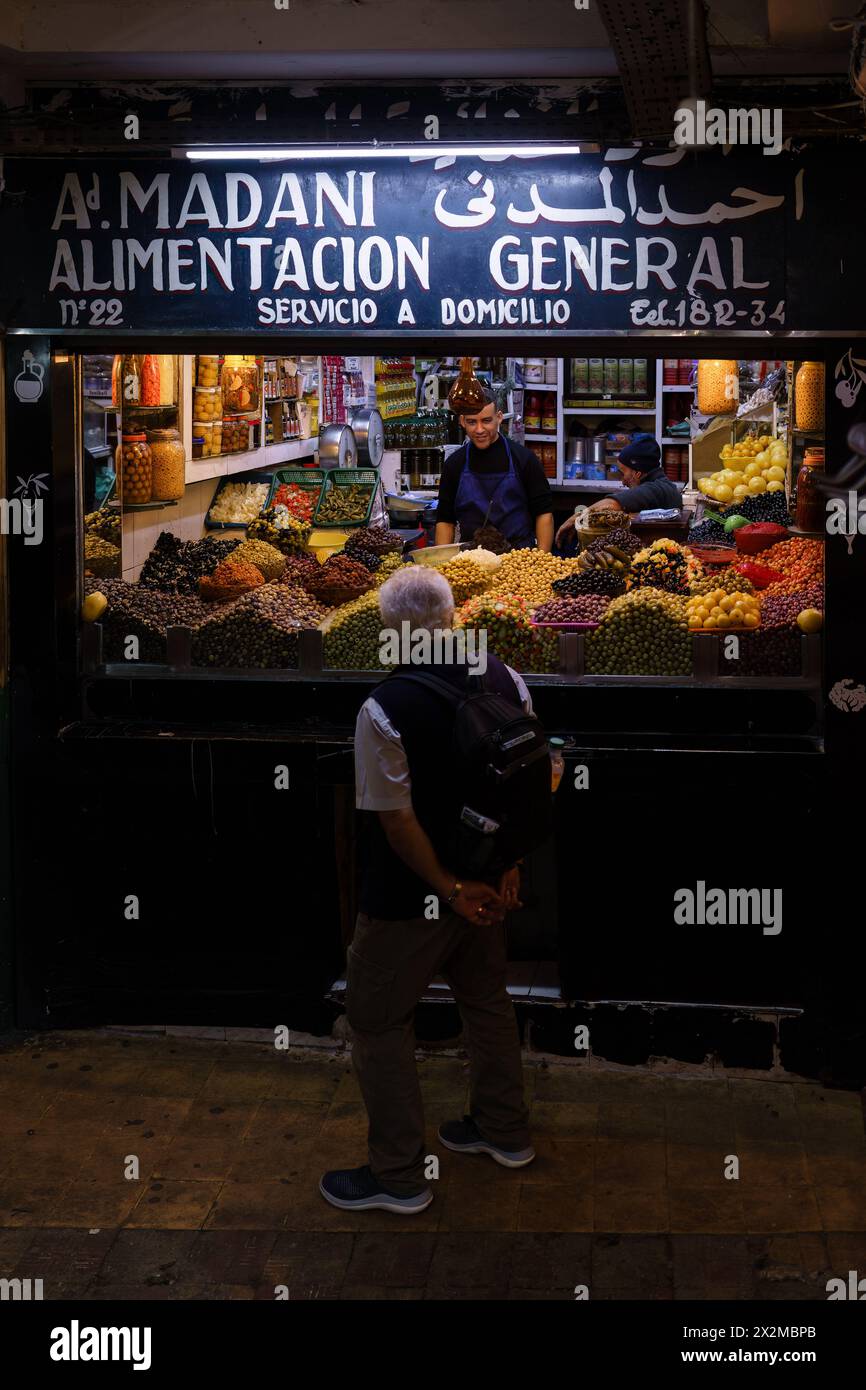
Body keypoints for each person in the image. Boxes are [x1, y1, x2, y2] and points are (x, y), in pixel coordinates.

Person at [320, 565, 537, 1215]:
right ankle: (504, 1132)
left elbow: (397, 820)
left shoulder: (383, 707)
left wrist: (449, 888)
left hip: (413, 895)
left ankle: (398, 1175)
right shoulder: (504, 675)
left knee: (377, 1019)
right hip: (491, 878)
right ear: (454, 615)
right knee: (487, 999)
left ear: (390, 628)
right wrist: (506, 869)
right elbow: (525, 780)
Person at [435, 388, 554, 551]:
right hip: (470, 561)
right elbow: (445, 520)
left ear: (499, 418)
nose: (479, 430)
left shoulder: (524, 459)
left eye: (486, 421)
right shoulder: (454, 464)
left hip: (519, 558)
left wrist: (542, 561)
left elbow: (544, 514)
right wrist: (442, 563)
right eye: (471, 422)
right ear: (462, 421)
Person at [555, 435, 682, 548]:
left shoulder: (656, 489)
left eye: (623, 473)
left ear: (637, 473)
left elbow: (612, 504)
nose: (622, 481)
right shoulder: (664, 486)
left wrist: (575, 518)